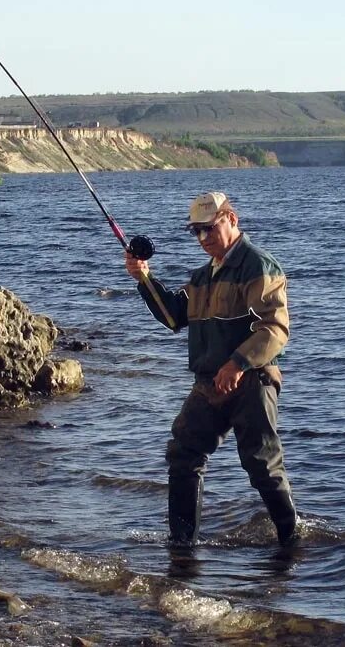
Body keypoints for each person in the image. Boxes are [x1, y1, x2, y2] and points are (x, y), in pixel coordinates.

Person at [124, 191, 299, 547]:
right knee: (183, 454)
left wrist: (238, 363)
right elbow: (174, 316)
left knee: (261, 464)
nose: (203, 238)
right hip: (208, 384)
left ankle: (291, 541)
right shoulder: (203, 276)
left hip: (252, 381)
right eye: (196, 231)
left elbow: (275, 329)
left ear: (231, 220)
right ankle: (182, 546)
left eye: (209, 228)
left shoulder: (259, 266)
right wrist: (144, 278)